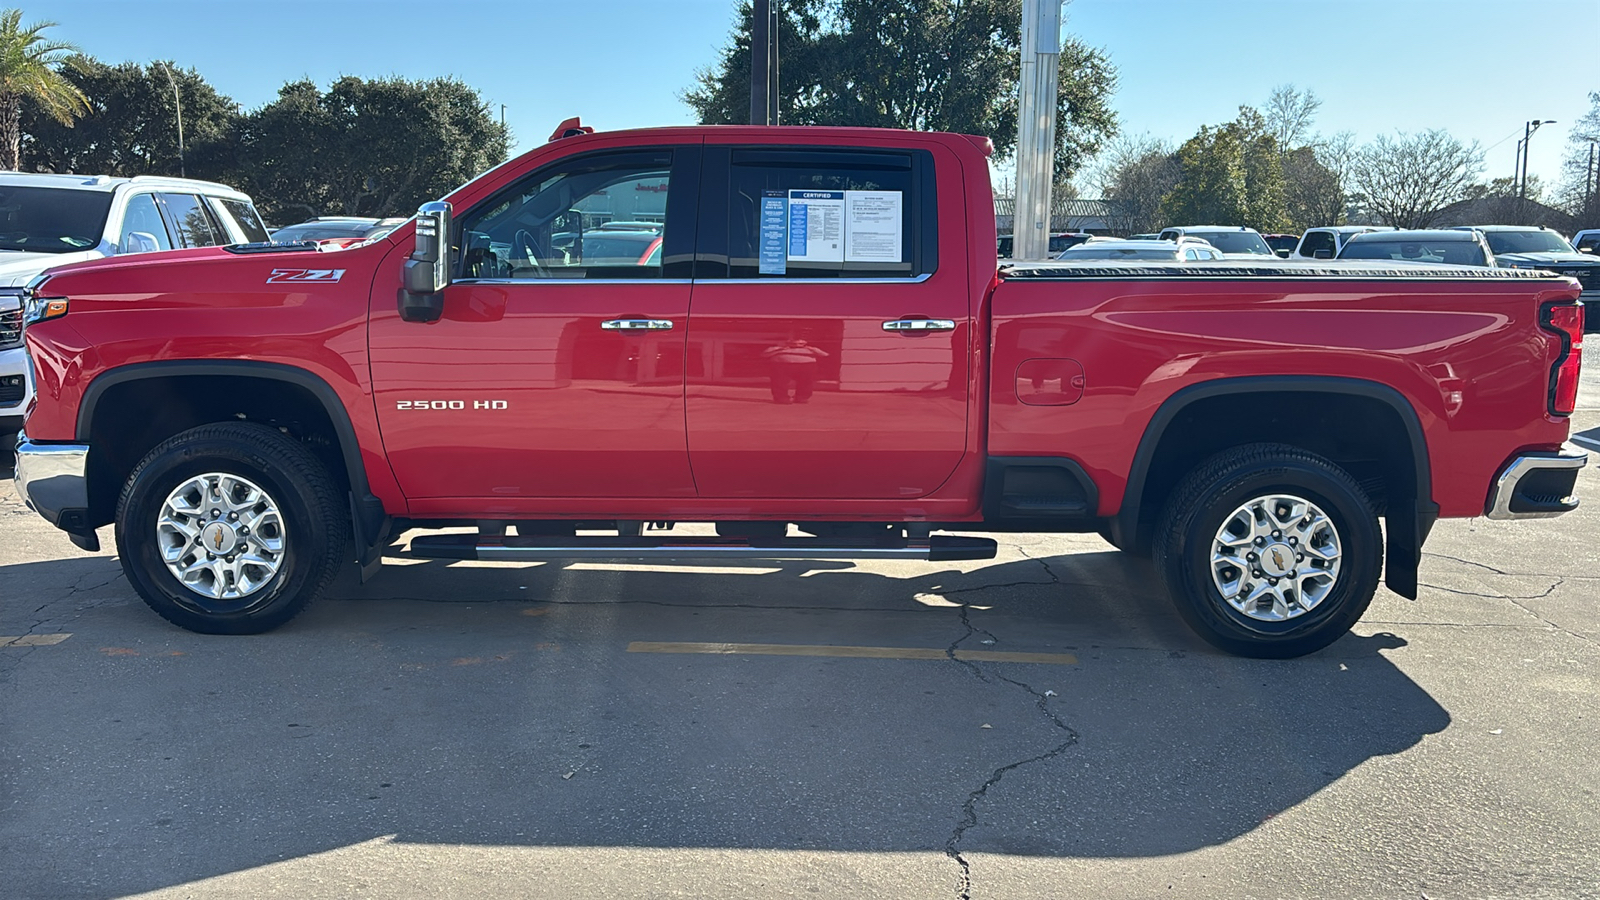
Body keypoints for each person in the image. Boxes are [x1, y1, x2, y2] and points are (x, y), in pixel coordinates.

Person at [762, 337, 829, 404]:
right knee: (779, 382)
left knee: (805, 382)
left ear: (805, 343)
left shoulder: (810, 349)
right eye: (793, 343)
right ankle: (781, 398)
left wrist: (811, 348)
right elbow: (765, 354)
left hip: (805, 366)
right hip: (781, 366)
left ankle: (802, 397)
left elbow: (824, 354)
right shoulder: (778, 348)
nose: (796, 345)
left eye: (800, 343)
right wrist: (781, 349)